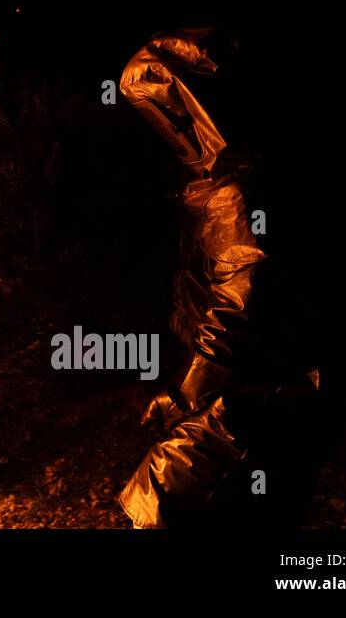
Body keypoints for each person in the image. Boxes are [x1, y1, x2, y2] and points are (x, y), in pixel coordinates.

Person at [118, 27, 324, 528]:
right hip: (248, 393)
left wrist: (186, 390)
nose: (164, 124)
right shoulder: (219, 178)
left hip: (254, 398)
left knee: (161, 505)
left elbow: (244, 298)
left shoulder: (238, 189)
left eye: (166, 108)